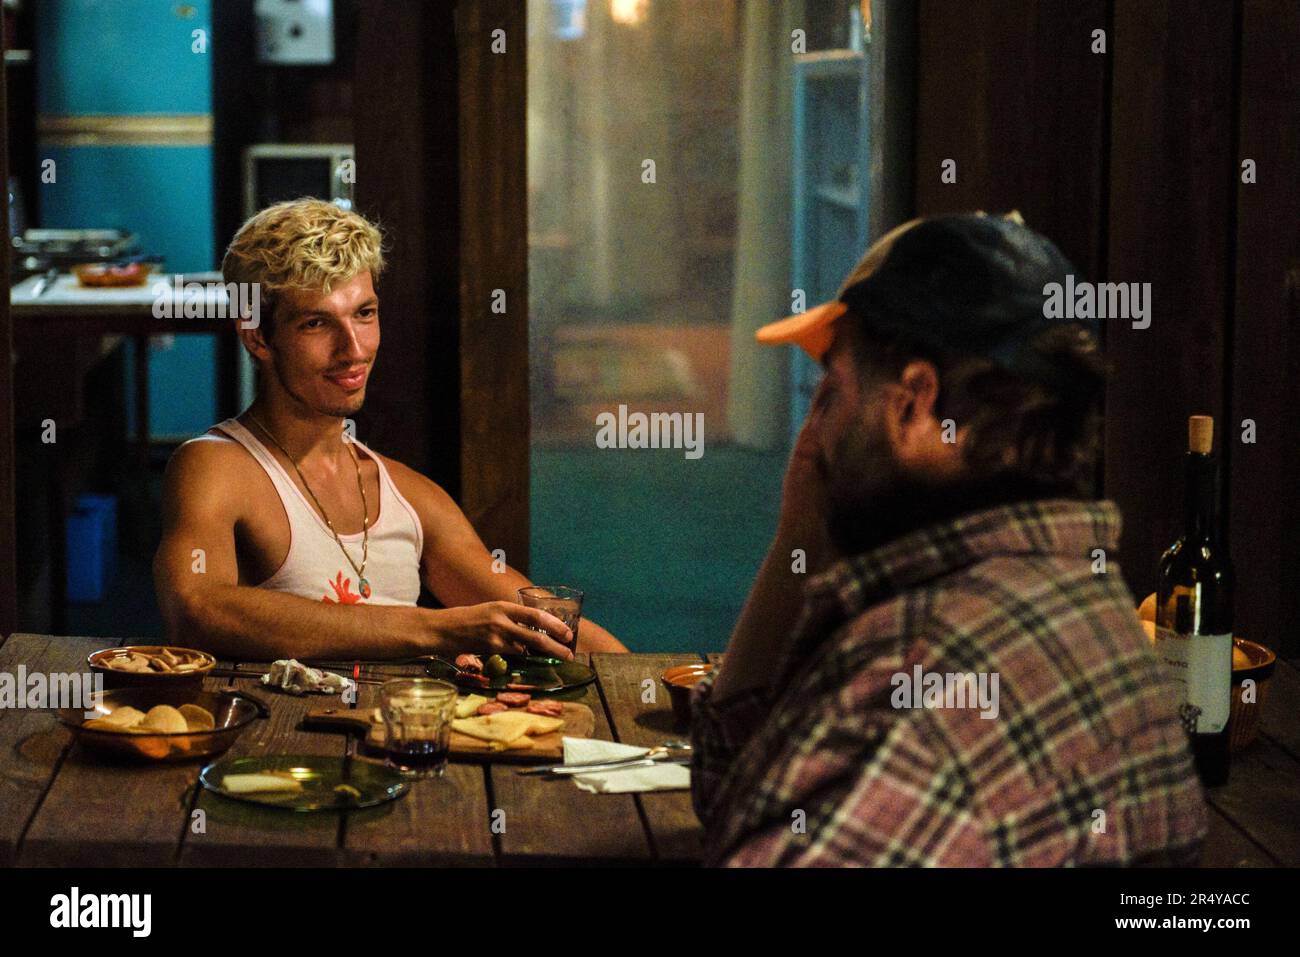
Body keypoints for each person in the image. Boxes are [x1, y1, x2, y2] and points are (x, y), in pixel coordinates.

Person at [690, 212, 1206, 866]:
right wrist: (802, 529)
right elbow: (731, 790)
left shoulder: (919, 695)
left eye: (836, 384)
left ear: (915, 401)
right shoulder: (1086, 606)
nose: (817, 421)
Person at [154, 199, 627, 660]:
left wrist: (650, 686)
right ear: (257, 336)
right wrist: (435, 627)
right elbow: (196, 609)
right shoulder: (216, 465)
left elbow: (535, 619)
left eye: (364, 313)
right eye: (316, 323)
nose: (354, 349)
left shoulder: (409, 495)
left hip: (404, 738)